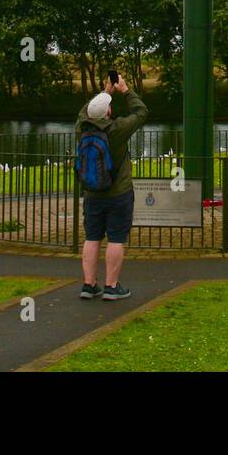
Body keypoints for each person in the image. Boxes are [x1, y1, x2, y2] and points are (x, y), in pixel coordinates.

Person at [76, 77, 148, 300]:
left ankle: (89, 285)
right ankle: (111, 286)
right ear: (108, 112)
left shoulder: (81, 128)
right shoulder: (117, 129)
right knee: (116, 238)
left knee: (92, 237)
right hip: (119, 193)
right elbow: (141, 112)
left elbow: (83, 112)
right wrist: (125, 90)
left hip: (92, 192)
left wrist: (104, 91)